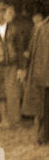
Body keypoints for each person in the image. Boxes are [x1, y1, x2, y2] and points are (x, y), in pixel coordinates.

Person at [22, 14, 49, 144]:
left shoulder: (40, 27)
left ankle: (43, 137)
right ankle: (43, 137)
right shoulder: (41, 28)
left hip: (42, 75)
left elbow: (31, 51)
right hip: (43, 75)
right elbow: (32, 51)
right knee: (43, 108)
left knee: (43, 108)